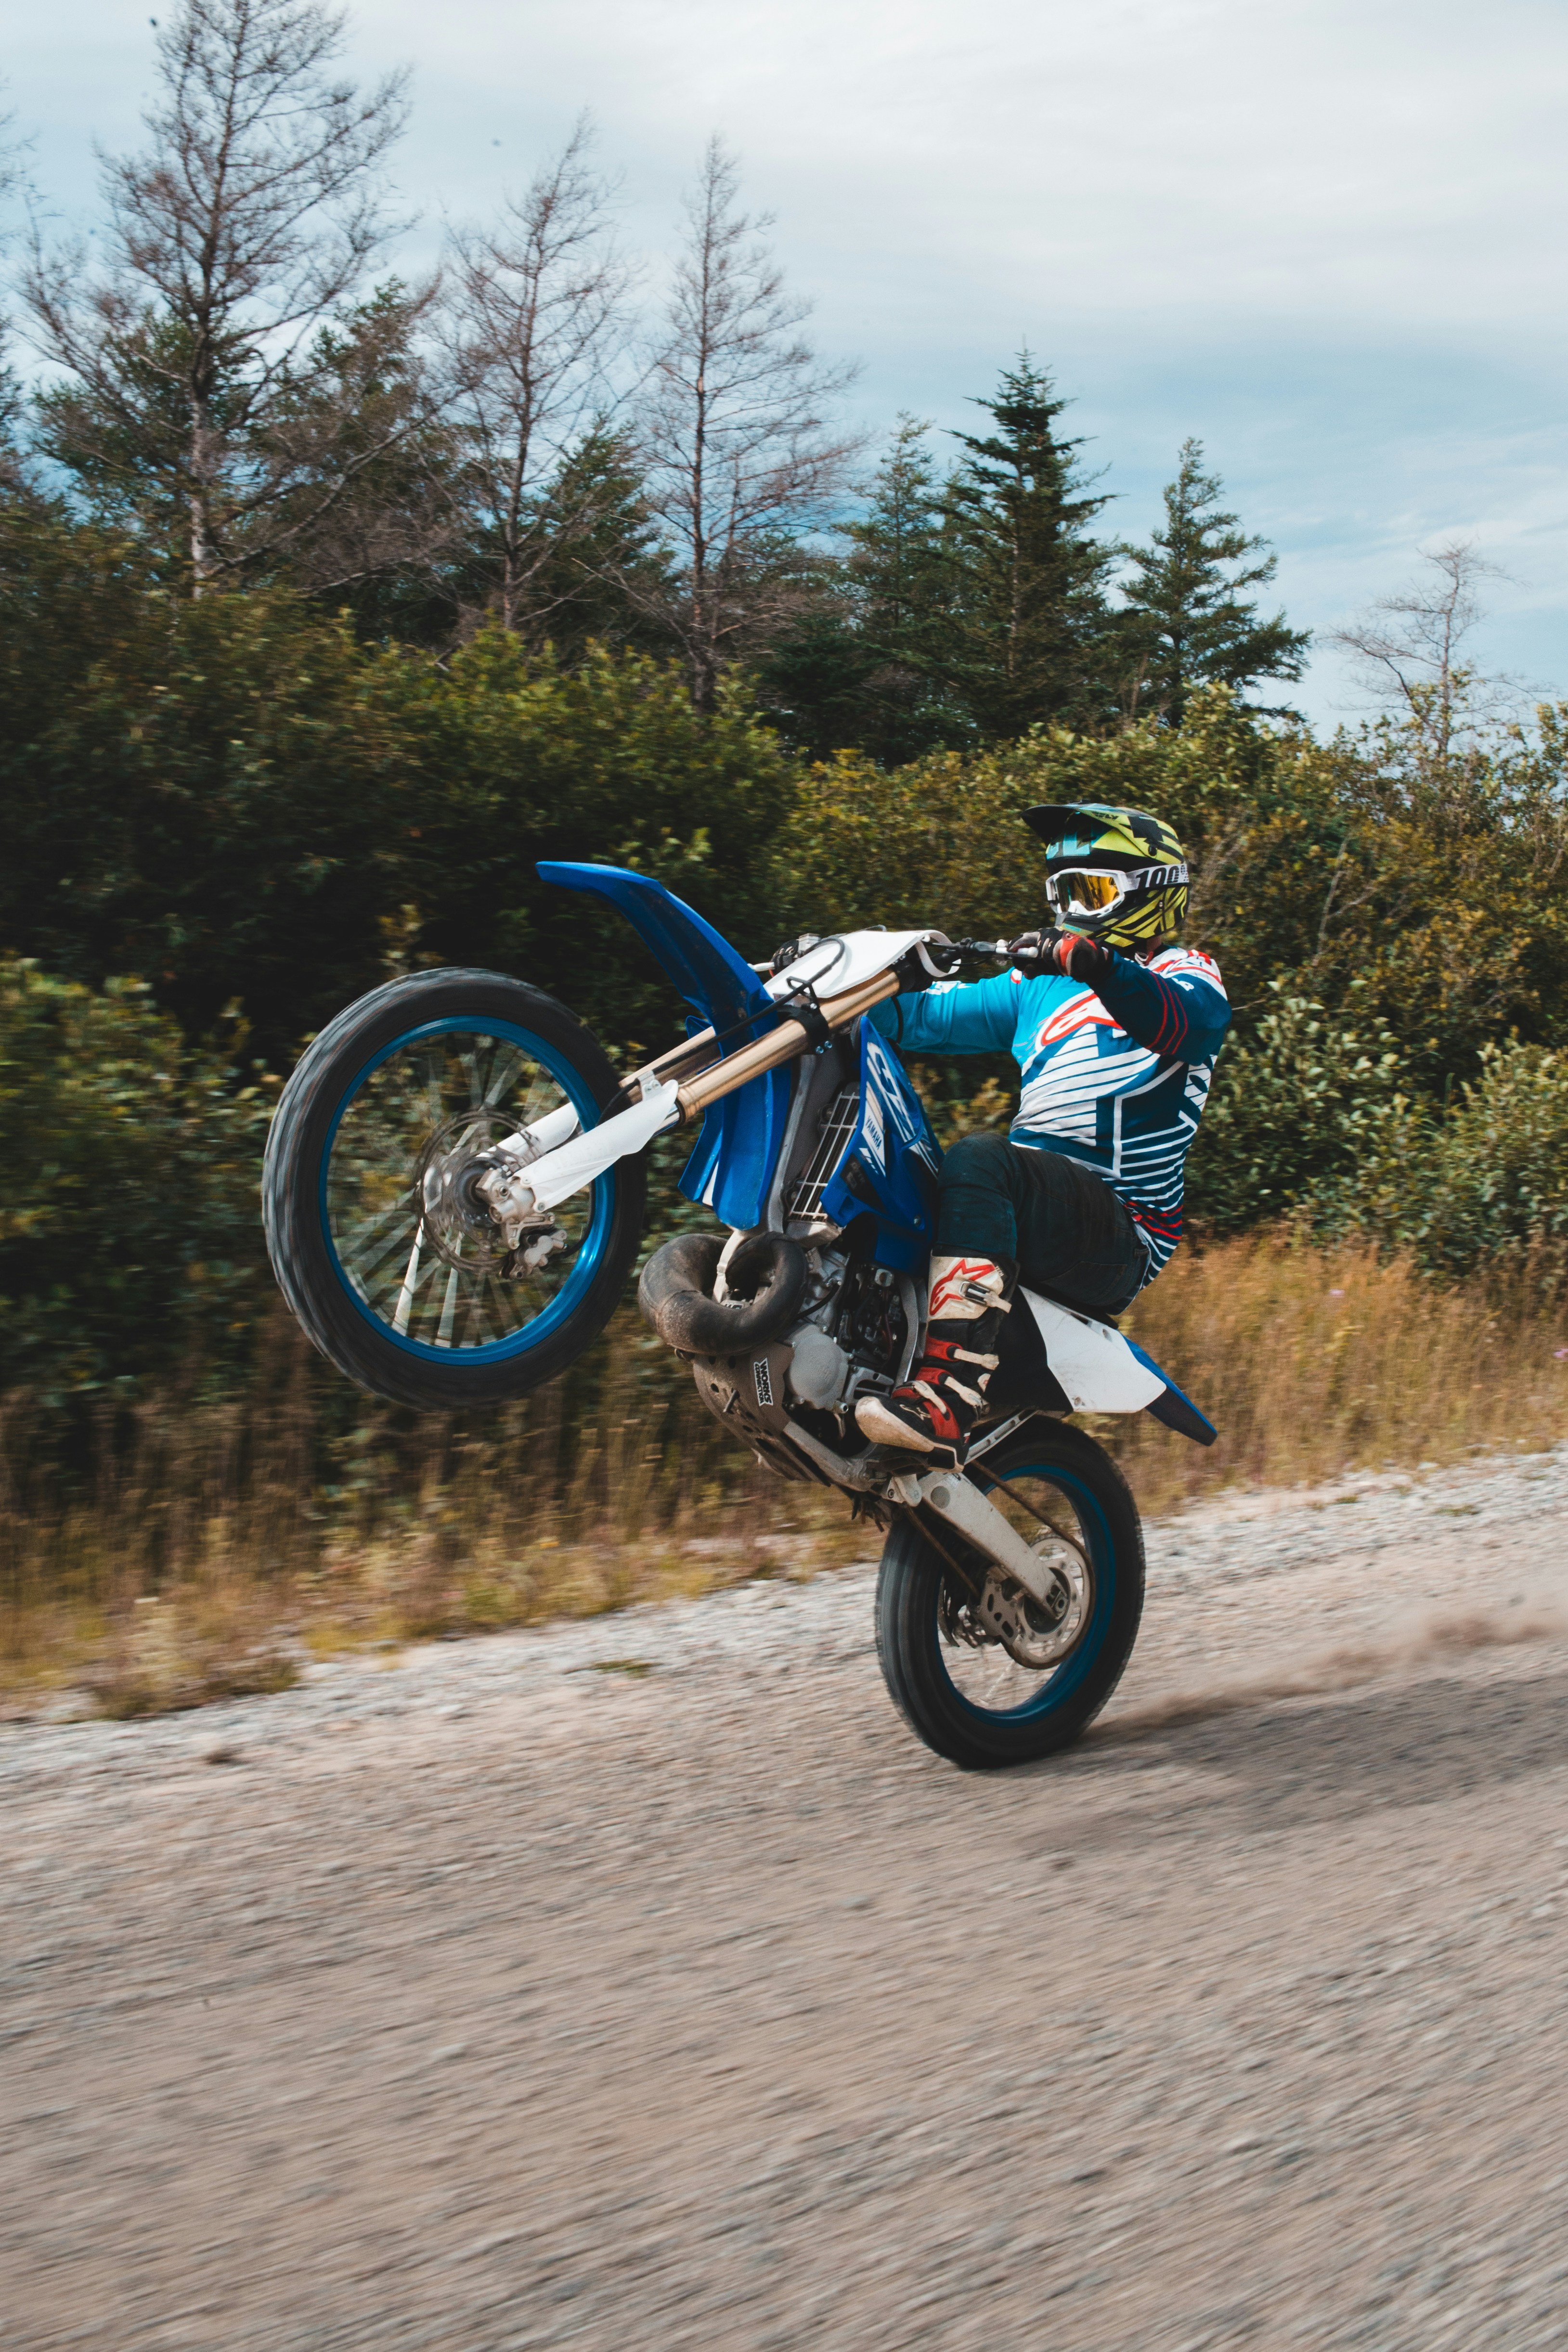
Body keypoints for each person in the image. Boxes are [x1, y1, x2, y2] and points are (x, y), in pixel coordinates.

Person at [853, 801, 1230, 1464]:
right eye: (1060, 891)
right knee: (895, 1174)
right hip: (1035, 1211)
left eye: (1089, 891)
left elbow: (1191, 1026)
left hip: (1119, 1230)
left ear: (1152, 893)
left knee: (981, 1156)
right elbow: (914, 1020)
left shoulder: (1182, 972)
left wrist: (1097, 965)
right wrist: (832, 977)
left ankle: (949, 1392)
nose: (1069, 911)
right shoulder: (1034, 989)